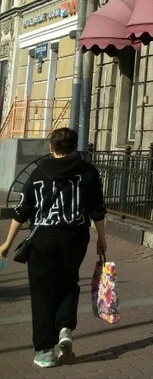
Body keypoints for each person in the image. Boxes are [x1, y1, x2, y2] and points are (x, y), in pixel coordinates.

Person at [0, 128, 107, 368]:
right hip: (75, 238)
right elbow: (97, 209)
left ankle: (45, 351)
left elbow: (23, 209)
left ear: (51, 147)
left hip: (43, 239)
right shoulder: (88, 172)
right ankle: (65, 329)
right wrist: (102, 239)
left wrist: (7, 242)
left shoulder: (39, 173)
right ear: (75, 147)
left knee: (42, 292)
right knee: (68, 282)